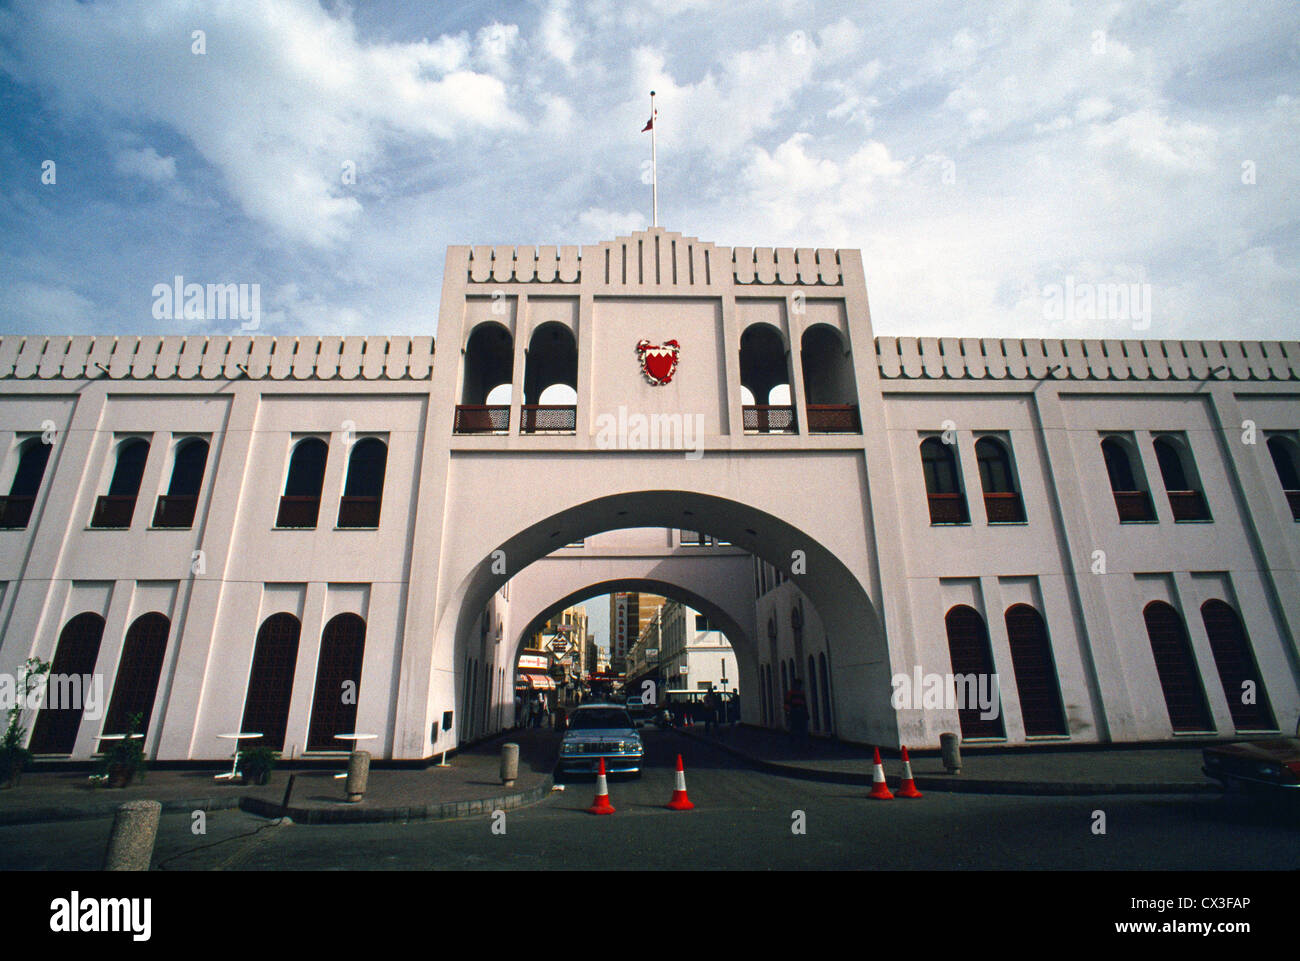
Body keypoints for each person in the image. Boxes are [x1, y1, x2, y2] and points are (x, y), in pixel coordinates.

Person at [784, 678, 809, 746]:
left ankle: (800, 742)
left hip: (799, 712)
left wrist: (806, 713)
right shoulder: (791, 693)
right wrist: (788, 712)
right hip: (794, 712)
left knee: (800, 729)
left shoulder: (801, 693)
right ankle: (795, 742)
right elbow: (787, 704)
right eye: (798, 685)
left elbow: (804, 704)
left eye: (799, 685)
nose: (798, 686)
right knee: (795, 728)